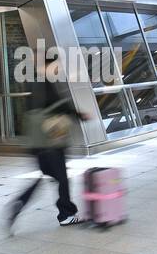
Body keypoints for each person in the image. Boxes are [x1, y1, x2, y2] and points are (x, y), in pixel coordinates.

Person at [6, 56, 92, 229]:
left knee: (47, 177)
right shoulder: (45, 83)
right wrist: (79, 115)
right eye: (56, 66)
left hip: (36, 143)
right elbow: (60, 105)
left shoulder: (32, 84)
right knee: (62, 178)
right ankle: (66, 215)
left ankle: (19, 203)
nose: (58, 69)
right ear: (47, 65)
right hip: (50, 143)